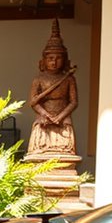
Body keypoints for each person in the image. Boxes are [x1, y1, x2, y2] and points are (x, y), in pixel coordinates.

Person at [25, 18, 79, 162]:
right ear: (44, 60)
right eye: (50, 58)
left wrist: (60, 117)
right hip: (44, 118)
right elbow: (34, 102)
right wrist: (46, 115)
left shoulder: (69, 79)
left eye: (58, 58)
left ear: (64, 60)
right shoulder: (38, 79)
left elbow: (73, 102)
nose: (54, 62)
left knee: (65, 150)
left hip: (63, 118)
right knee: (40, 149)